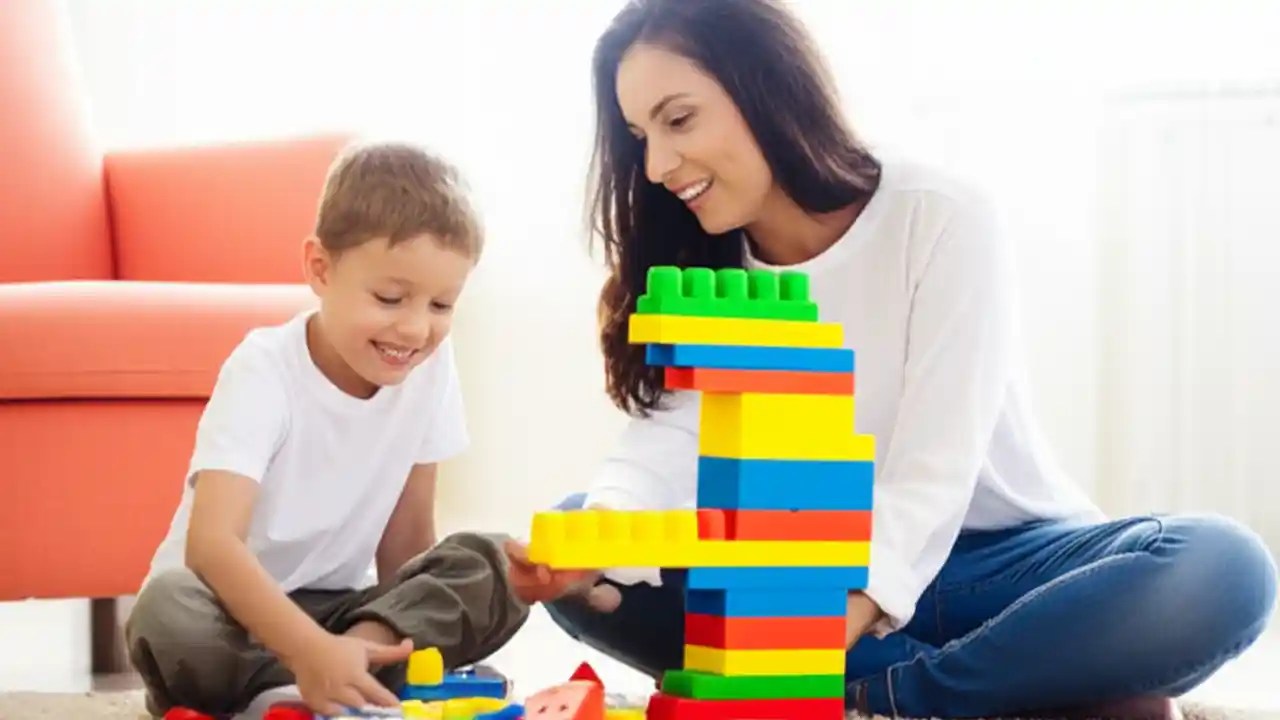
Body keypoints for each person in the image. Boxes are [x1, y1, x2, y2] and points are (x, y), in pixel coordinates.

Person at [505, 1, 1279, 718]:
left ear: (765, 88)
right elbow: (675, 437)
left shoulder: (939, 215)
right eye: (641, 138)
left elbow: (934, 462)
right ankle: (1021, 688)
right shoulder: (699, 263)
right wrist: (601, 540)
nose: (658, 166)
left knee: (1223, 568)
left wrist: (853, 608)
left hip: (997, 564)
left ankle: (892, 694)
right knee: (579, 535)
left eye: (679, 120)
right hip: (794, 559)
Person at [126, 141, 535, 718]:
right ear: (320, 269)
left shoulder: (432, 368)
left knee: (493, 559)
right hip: (229, 613)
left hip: (344, 613)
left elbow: (408, 543)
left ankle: (352, 673)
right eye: (390, 297)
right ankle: (292, 688)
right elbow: (212, 547)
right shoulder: (263, 368)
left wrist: (398, 627)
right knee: (166, 611)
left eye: (442, 305)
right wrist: (308, 650)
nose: (415, 329)